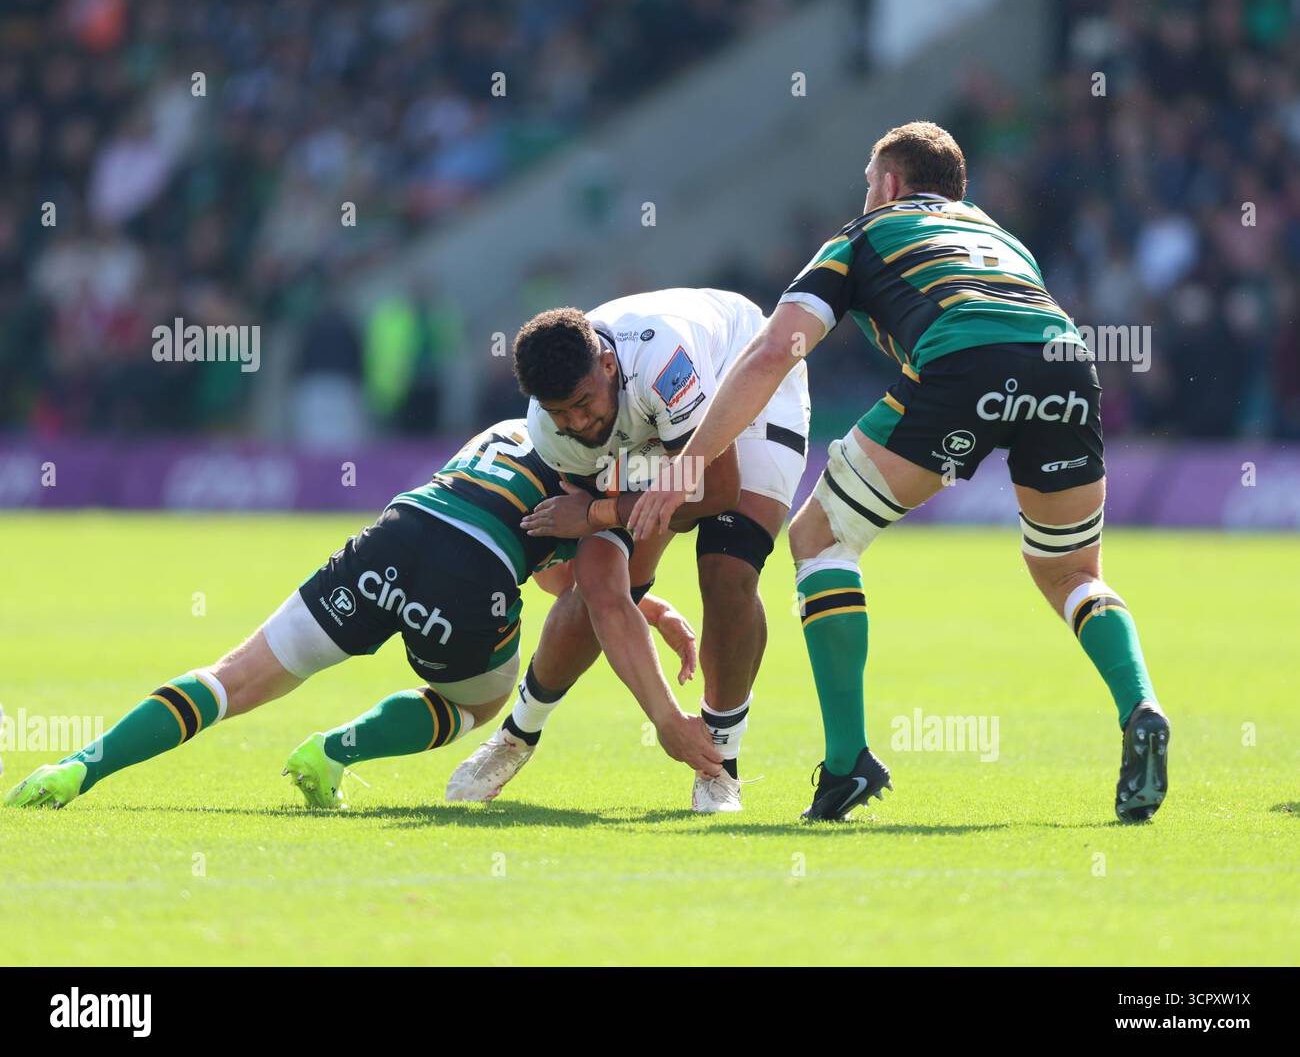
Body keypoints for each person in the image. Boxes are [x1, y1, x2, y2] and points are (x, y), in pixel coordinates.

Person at [629, 122, 1169, 823]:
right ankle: (1141, 705)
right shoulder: (1000, 236)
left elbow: (772, 353)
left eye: (867, 182)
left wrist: (686, 464)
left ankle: (848, 761)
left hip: (963, 362)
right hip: (1065, 362)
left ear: (888, 184)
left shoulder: (863, 235)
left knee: (820, 539)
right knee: (1072, 574)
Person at [5, 419, 716, 811]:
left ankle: (74, 769)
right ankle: (333, 751)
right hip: (474, 572)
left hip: (397, 530)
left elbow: (530, 545)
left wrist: (647, 605)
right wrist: (648, 616)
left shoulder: (506, 429)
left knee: (234, 678)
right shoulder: (607, 462)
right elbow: (584, 585)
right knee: (477, 704)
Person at [446, 288, 811, 811]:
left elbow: (716, 492)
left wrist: (599, 513)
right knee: (598, 585)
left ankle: (719, 763)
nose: (577, 423)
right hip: (651, 425)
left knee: (727, 570)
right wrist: (633, 590)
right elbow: (590, 582)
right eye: (560, 413)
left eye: (582, 404)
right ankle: (517, 736)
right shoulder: (551, 431)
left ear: (608, 364)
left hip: (747, 383)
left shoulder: (665, 362)